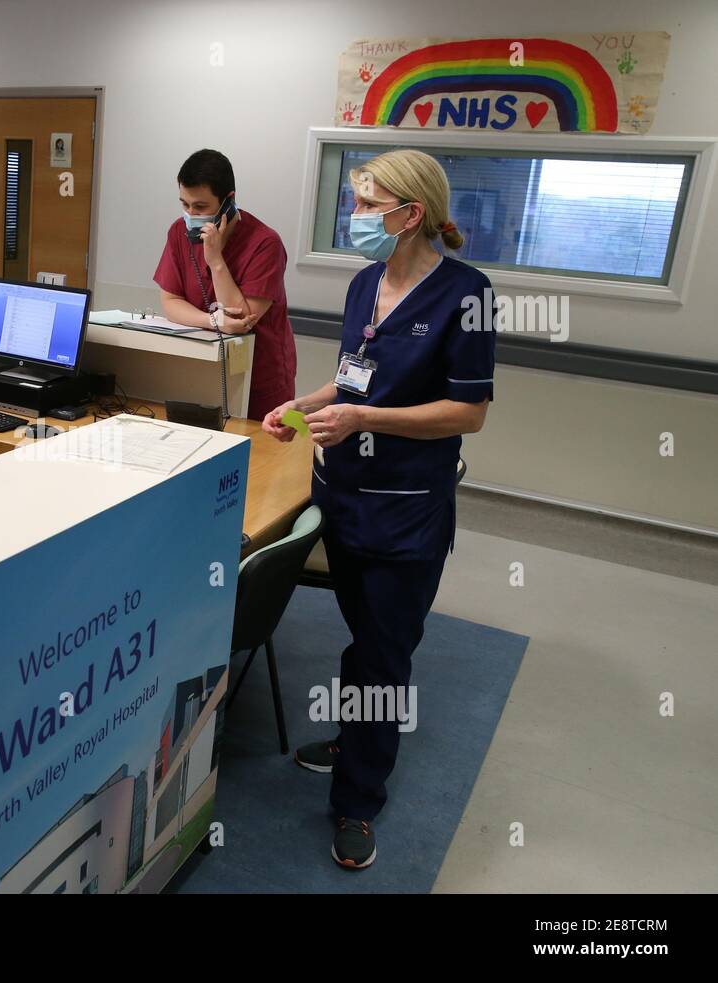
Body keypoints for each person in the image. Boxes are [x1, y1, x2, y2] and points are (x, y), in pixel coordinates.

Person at [263, 149, 496, 870]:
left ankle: (358, 798)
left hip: (407, 508)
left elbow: (469, 411)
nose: (356, 218)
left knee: (385, 655)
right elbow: (352, 377)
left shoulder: (468, 293)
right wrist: (302, 406)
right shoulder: (367, 283)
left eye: (368, 206)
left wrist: (367, 423)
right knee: (364, 637)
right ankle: (353, 737)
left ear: (411, 214)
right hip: (346, 494)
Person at [154, 149, 295, 419]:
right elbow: (171, 302)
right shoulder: (178, 233)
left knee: (264, 455)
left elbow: (241, 317)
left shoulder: (265, 243)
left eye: (201, 207)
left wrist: (215, 259)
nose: (191, 214)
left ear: (228, 201)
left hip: (259, 377)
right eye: (185, 204)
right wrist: (214, 322)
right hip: (201, 369)